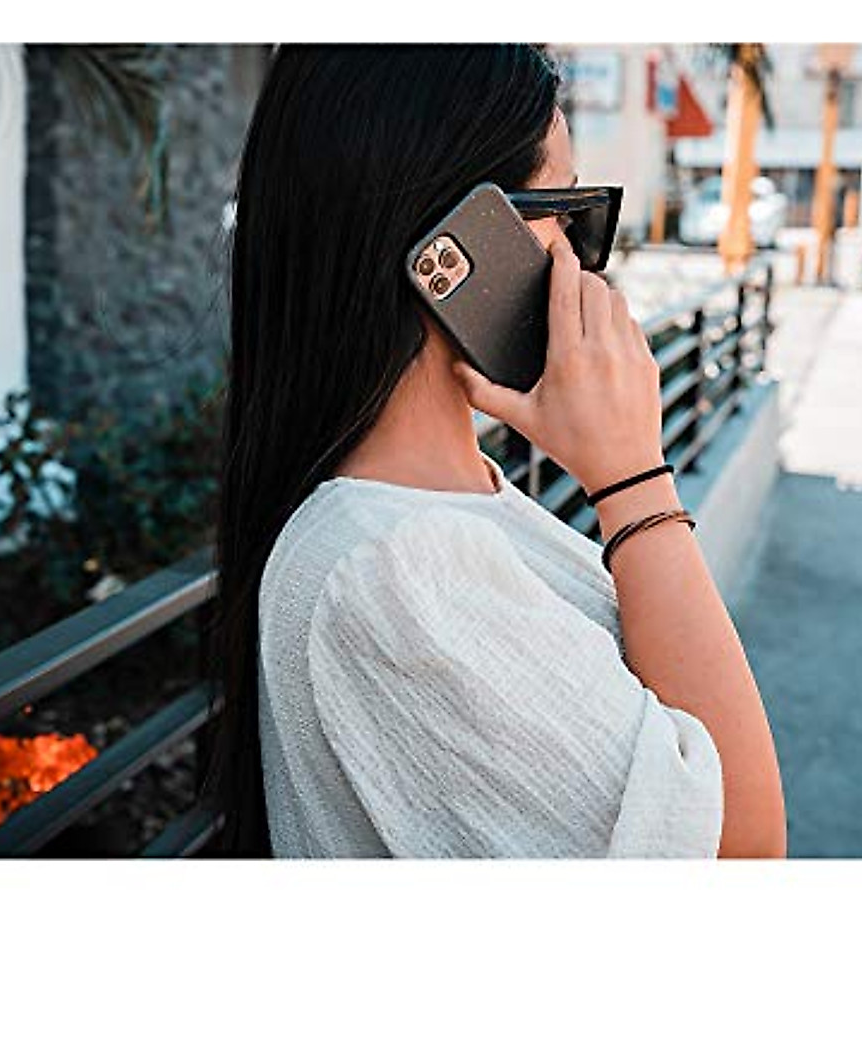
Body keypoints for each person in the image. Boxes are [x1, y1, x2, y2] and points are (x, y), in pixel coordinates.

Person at [206, 45, 786, 859]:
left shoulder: (440, 512)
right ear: (457, 247)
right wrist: (635, 481)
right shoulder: (397, 572)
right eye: (567, 214)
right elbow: (740, 852)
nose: (584, 264)